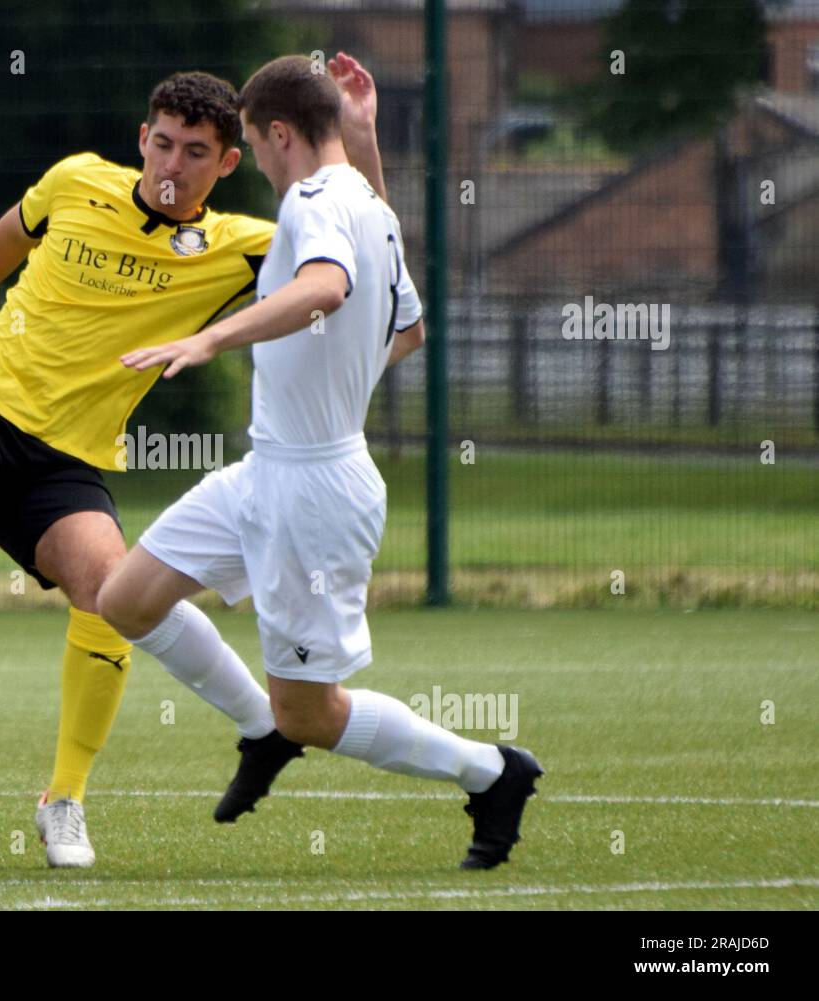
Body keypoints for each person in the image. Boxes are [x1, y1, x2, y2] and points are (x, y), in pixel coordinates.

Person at [0, 58, 388, 868]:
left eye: (195, 152)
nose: (172, 164)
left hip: (68, 458)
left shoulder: (239, 247)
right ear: (141, 139)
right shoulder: (76, 182)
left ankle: (63, 801)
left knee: (112, 596)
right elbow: (6, 239)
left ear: (228, 163)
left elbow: (369, 240)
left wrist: (360, 138)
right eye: (161, 144)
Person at [96, 54, 543, 869]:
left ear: (278, 135)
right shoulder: (366, 202)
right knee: (124, 598)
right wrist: (366, 138)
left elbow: (330, 287)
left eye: (257, 150)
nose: (259, 168)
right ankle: (257, 725)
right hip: (265, 470)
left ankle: (491, 771)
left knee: (311, 711)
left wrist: (211, 335)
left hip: (315, 488)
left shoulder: (311, 201)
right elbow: (404, 327)